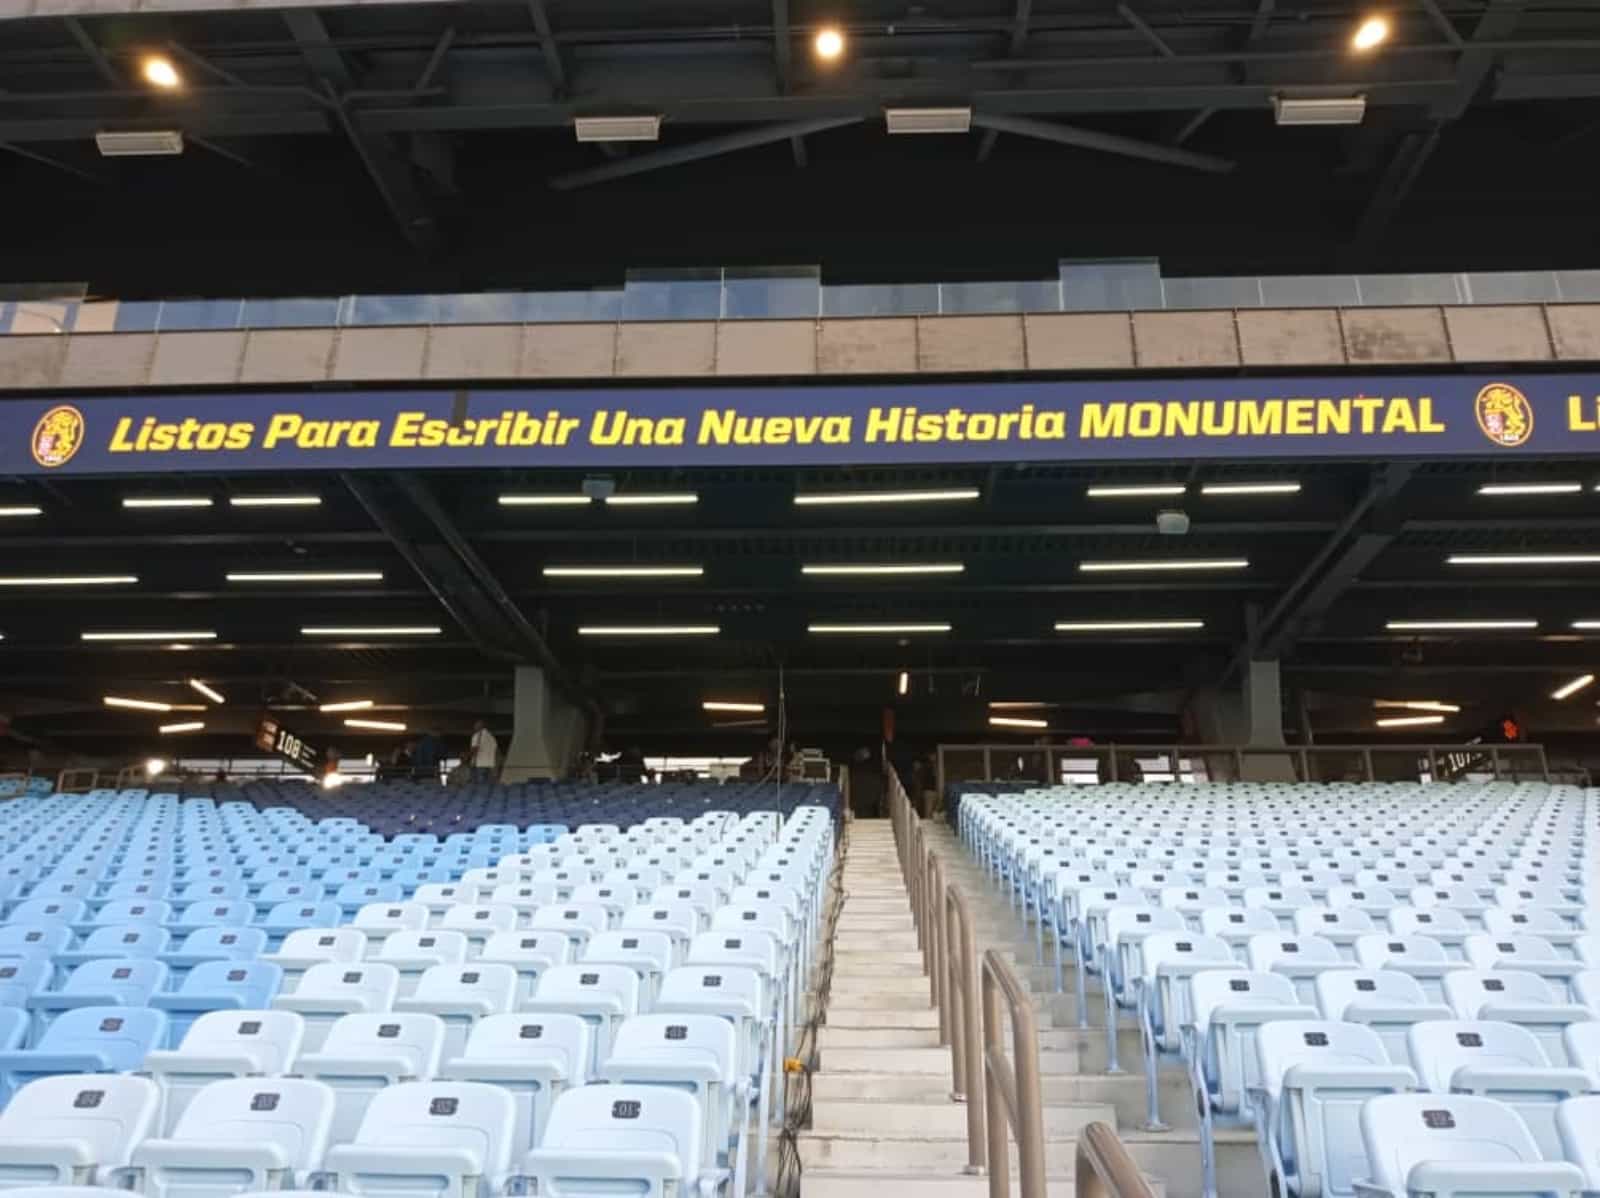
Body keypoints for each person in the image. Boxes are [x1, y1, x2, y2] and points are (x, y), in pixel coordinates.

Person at [468, 720, 499, 785]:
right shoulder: (491, 737)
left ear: (480, 726)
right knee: (488, 787)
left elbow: (475, 749)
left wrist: (468, 756)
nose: (474, 727)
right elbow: (496, 751)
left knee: (479, 786)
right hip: (490, 764)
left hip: (480, 764)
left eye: (475, 725)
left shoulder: (477, 736)